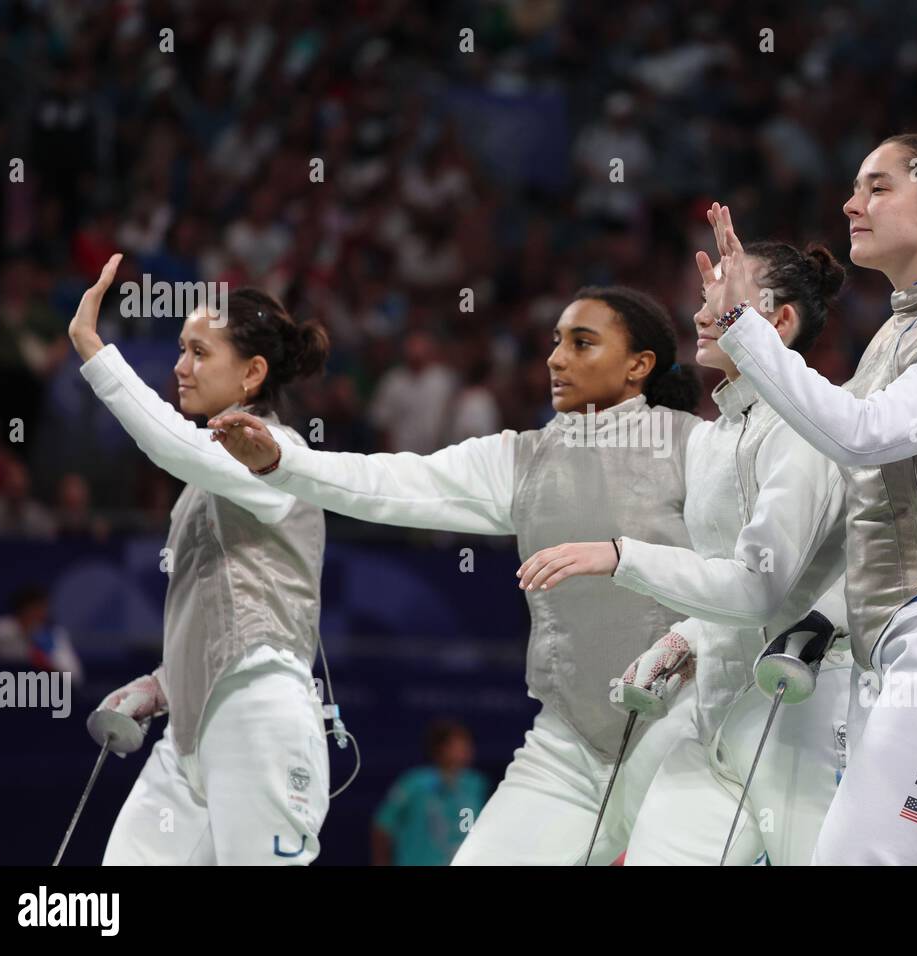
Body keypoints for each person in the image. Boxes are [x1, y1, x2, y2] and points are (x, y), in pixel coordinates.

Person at [209, 286, 704, 865]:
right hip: (569, 743)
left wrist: (689, 639)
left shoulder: (694, 448)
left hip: (681, 734)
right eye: (555, 342)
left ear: (638, 365)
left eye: (582, 343)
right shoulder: (526, 458)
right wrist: (282, 461)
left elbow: (754, 577)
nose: (555, 358)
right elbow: (396, 483)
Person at [704, 133, 917, 865]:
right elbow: (852, 491)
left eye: (877, 187)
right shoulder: (900, 330)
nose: (850, 203)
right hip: (906, 650)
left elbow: (861, 436)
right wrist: (819, 615)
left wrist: (743, 328)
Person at [517, 241, 851, 864]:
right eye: (704, 297)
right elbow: (723, 581)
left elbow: (760, 589)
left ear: (779, 322)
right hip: (718, 715)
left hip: (804, 716)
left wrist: (622, 556)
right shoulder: (714, 437)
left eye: (723, 299)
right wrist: (685, 640)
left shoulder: (806, 429)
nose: (701, 314)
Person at [70, 253, 333, 865]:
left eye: (199, 353)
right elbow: (223, 600)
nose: (180, 367)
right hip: (191, 732)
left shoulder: (278, 455)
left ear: (252, 373)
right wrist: (163, 684)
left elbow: (169, 443)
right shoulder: (206, 482)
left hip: (259, 713)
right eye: (182, 349)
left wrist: (92, 346)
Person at [372, 720, 488, 866]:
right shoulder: (413, 783)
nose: (467, 749)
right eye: (459, 745)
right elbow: (383, 827)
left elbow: (475, 827)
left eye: (467, 744)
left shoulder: (475, 783)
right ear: (440, 748)